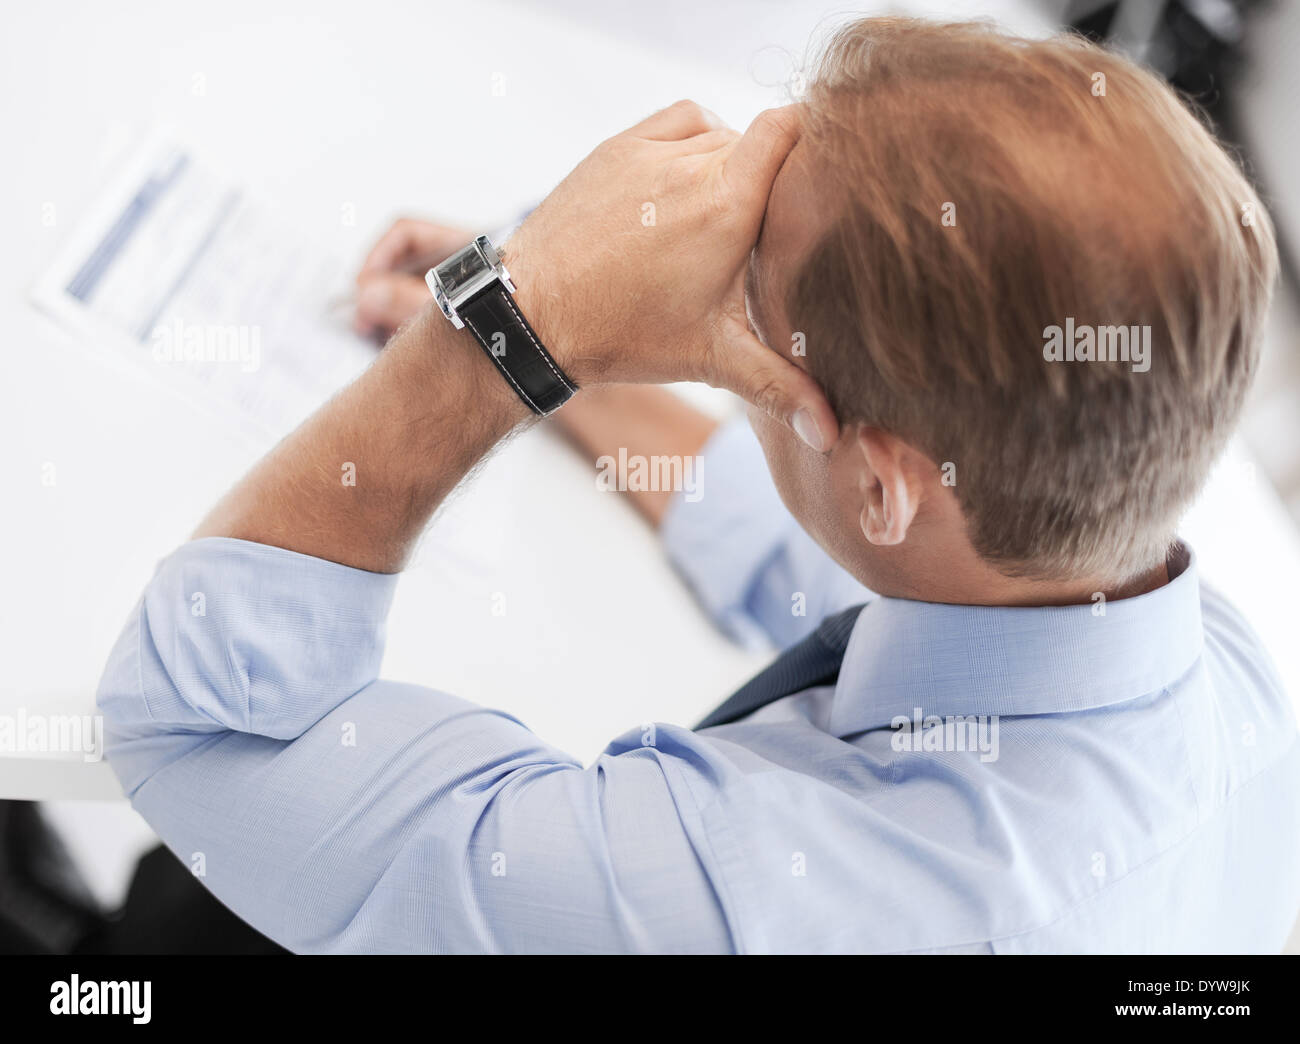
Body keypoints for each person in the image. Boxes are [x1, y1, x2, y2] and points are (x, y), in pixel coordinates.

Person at [97, 17, 1300, 953]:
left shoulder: (733, 898)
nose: (712, 295)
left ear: (884, 485)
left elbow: (186, 721)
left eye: (746, 294)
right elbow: (886, 564)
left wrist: (502, 337)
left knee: (177, 923)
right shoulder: (1195, 648)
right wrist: (569, 362)